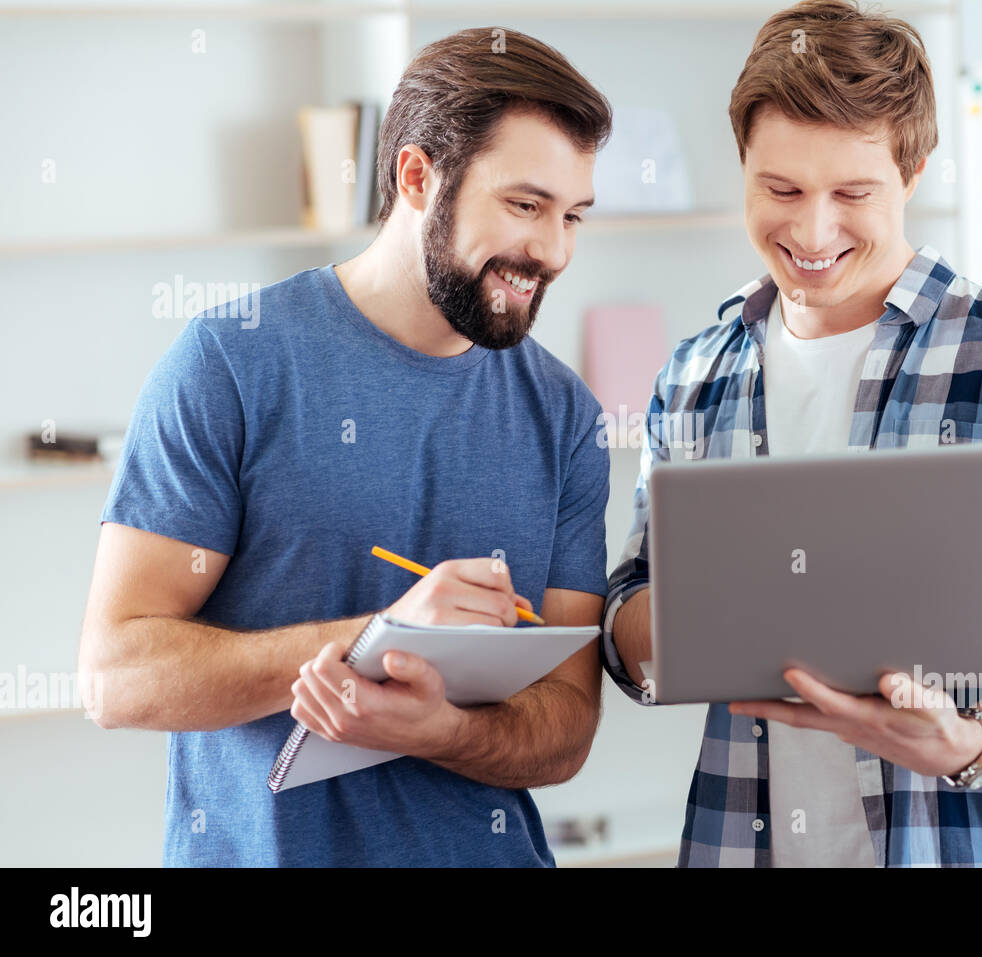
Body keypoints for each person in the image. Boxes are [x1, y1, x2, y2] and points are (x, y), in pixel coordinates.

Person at [601, 0, 982, 867]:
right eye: (780, 190)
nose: (812, 233)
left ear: (915, 172)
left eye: (852, 194)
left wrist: (974, 737)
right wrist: (692, 622)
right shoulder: (695, 374)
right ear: (741, 160)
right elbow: (628, 616)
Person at [78, 27, 613, 867]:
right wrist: (378, 637)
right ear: (416, 175)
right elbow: (116, 675)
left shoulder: (567, 418)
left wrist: (442, 729)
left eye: (572, 215)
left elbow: (567, 727)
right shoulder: (232, 362)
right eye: (524, 204)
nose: (552, 250)